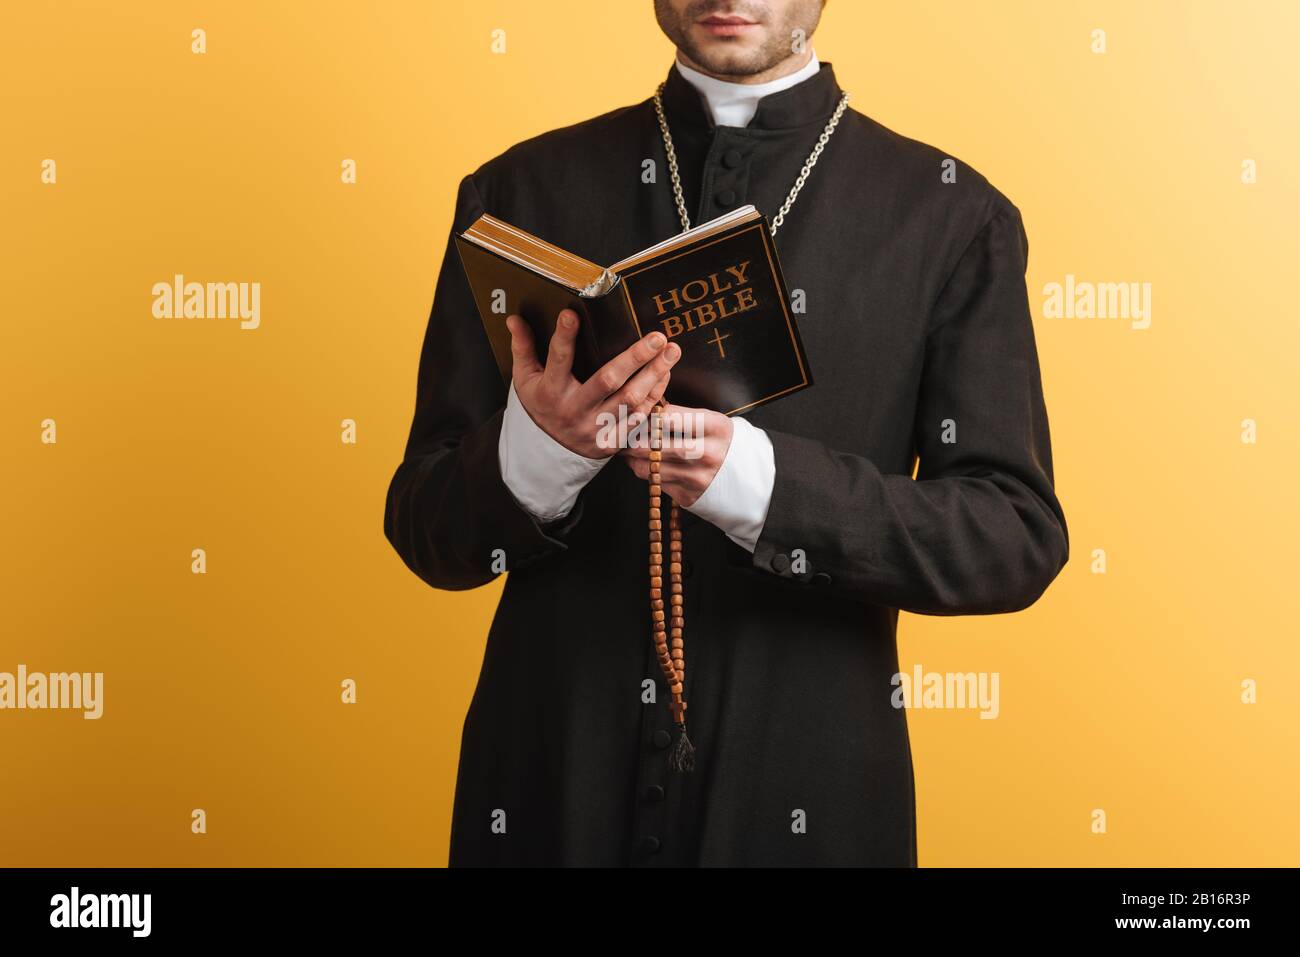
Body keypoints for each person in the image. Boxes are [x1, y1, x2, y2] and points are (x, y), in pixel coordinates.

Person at [384, 0, 1068, 866]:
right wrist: (543, 449)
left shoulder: (952, 218)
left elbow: (1013, 536)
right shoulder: (515, 195)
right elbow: (426, 531)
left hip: (806, 794)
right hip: (547, 787)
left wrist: (764, 483)